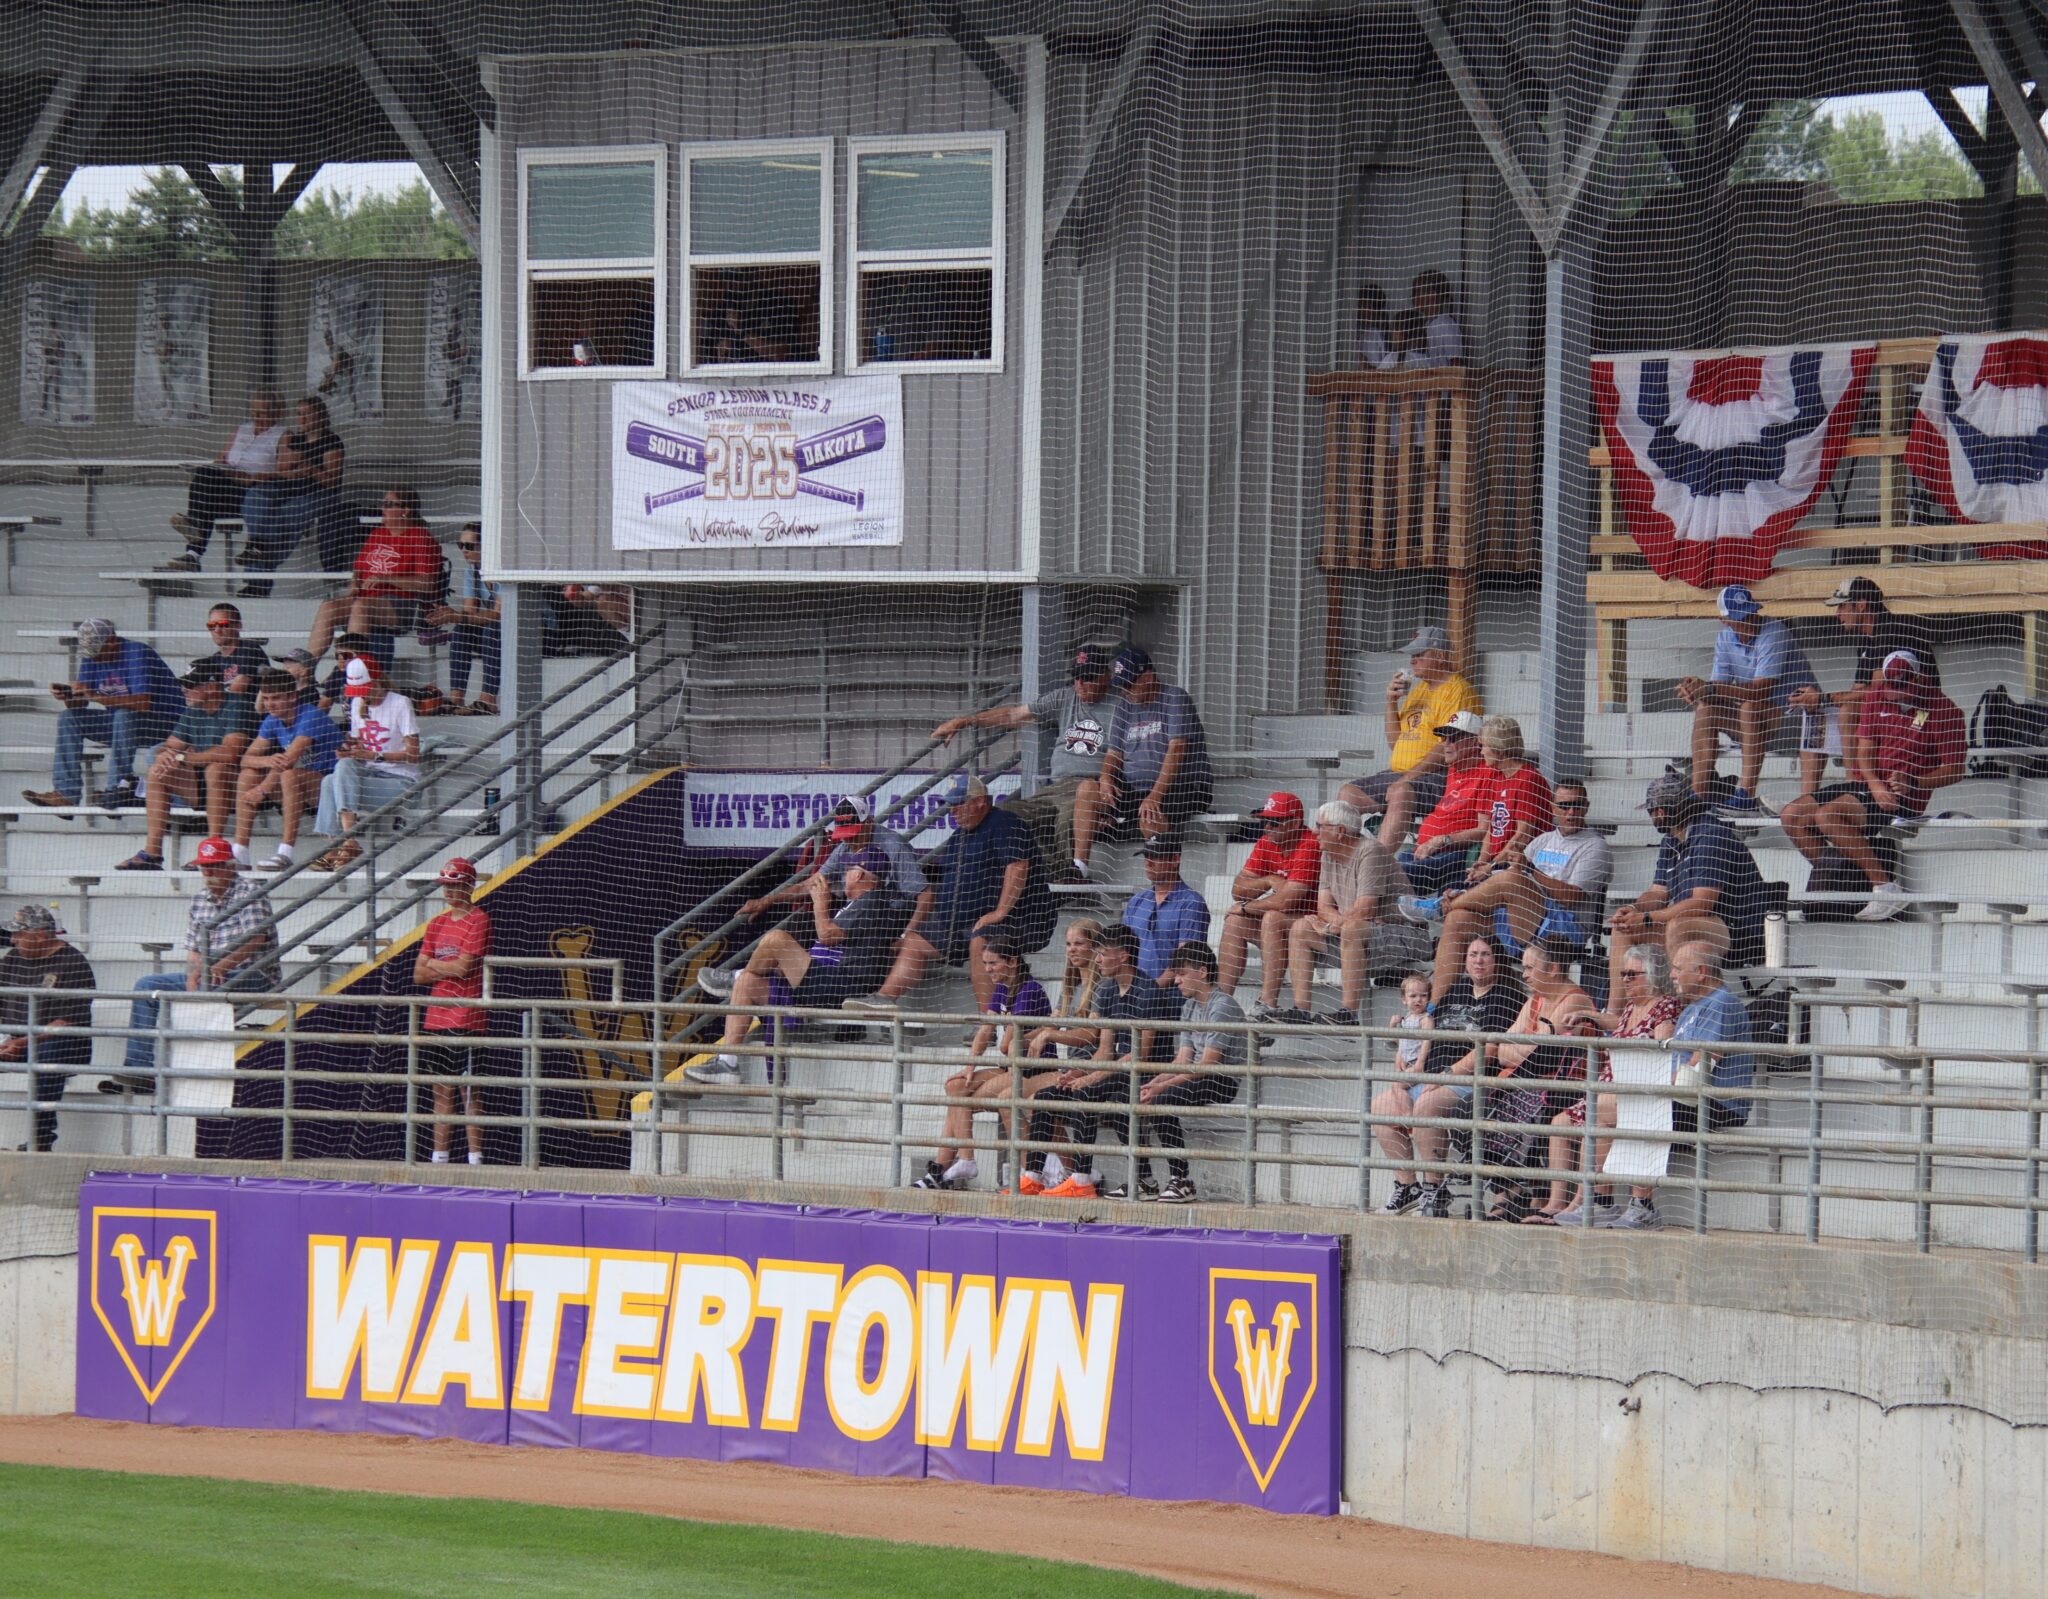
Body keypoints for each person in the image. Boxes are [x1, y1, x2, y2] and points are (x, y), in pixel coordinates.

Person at [688, 849, 912, 1086]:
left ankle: (735, 976)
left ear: (858, 875)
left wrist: (820, 904)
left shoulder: (872, 900)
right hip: (825, 980)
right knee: (748, 983)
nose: (844, 875)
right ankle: (727, 1063)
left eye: (848, 870)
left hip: (845, 987)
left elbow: (827, 936)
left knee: (776, 939)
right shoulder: (856, 903)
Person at [1781, 650, 1966, 921]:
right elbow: (1864, 751)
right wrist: (1875, 784)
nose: (1896, 694)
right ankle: (1848, 881)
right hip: (1869, 785)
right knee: (1791, 816)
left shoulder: (1946, 711)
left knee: (1828, 816)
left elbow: (1955, 770)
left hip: (1905, 794)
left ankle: (1885, 888)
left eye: (1902, 688)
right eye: (1892, 687)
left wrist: (1915, 782)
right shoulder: (1876, 695)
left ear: (1919, 679)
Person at [855, 774, 1053, 1013]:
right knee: (915, 940)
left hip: (1019, 920)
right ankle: (884, 999)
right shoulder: (959, 836)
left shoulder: (1005, 824)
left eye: (959, 803)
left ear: (980, 801)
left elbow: (1018, 866)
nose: (953, 811)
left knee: (981, 940)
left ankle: (988, 1021)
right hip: (960, 923)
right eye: (950, 805)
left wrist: (1000, 911)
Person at [1528, 943, 1683, 1227]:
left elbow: (1663, 1049)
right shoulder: (1632, 1006)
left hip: (1637, 1090)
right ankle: (1557, 1203)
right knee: (1560, 1122)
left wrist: (1626, 1050)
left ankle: (1594, 1201)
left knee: (1597, 1111)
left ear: (1653, 976)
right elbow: (1618, 1024)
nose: (1625, 980)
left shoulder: (1665, 1006)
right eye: (1623, 974)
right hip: (1611, 1089)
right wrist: (1589, 1016)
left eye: (1632, 974)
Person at [932, 644, 1119, 878]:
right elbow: (1013, 715)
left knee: (1066, 819)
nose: (1080, 684)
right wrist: (964, 721)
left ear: (1105, 676)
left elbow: (1124, 754)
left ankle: (1072, 877)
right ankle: (1052, 872)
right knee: (1008, 813)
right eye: (1076, 677)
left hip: (1090, 787)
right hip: (1055, 787)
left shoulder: (1120, 704)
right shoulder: (1065, 696)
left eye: (1088, 678)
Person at [1372, 934, 1524, 1217]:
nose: (1478, 960)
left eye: (1485, 954)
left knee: (1427, 1105)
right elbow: (1426, 1031)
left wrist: (1447, 1075)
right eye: (1473, 954)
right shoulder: (1455, 991)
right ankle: (1408, 1187)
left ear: (1497, 959)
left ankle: (1435, 1189)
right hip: (1430, 1075)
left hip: (1472, 1079)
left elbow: (1490, 1048)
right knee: (1381, 1107)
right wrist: (1404, 1049)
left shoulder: (1507, 996)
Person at [1019, 925, 1174, 1198]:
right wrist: (1079, 1071)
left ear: (1123, 956)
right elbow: (1104, 1051)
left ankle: (1081, 1180)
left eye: (1102, 953)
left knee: (1086, 1094)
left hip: (1144, 1072)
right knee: (1045, 1098)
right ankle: (1032, 1177)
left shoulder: (1148, 991)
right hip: (1116, 1069)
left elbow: (1140, 1054)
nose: (1097, 959)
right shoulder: (1107, 988)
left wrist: (1091, 1078)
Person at [1608, 941, 1754, 1231]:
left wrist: (1653, 1088)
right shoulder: (1693, 1005)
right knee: (1603, 1107)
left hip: (1717, 1103)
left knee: (1642, 1110)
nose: (1672, 975)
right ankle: (1599, 1201)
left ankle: (1642, 1208)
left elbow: (1699, 1065)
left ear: (1701, 972)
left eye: (1677, 968)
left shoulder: (1721, 1002)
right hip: (1686, 1097)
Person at [1424, 762, 1593, 1003]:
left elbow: (1572, 897)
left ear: (1586, 807)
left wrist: (1530, 871)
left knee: (1512, 878)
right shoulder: (1543, 840)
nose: (1571, 812)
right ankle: (1435, 1009)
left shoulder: (1594, 846)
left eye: (1577, 805)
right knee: (1457, 919)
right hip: (1521, 919)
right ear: (1554, 807)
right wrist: (1486, 873)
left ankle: (1440, 905)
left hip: (1563, 930)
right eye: (1565, 806)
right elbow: (1509, 877)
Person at [123, 835, 281, 1088]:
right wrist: (193, 976)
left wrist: (216, 967)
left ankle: (199, 1075)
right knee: (146, 985)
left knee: (207, 988)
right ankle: (139, 1069)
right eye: (204, 867)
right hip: (212, 973)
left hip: (255, 974)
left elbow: (255, 940)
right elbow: (193, 950)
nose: (208, 873)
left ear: (230, 866)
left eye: (214, 866)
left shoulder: (250, 891)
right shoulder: (199, 899)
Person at [1100, 941, 1244, 1204]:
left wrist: (1163, 1087)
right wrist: (1155, 1081)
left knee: (1160, 1101)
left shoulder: (1222, 1005)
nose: (1176, 980)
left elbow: (1209, 1064)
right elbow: (1183, 1059)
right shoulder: (1188, 1007)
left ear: (1202, 971)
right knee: (1123, 1100)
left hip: (1222, 1079)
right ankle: (1144, 1180)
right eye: (1176, 974)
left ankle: (1181, 1180)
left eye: (1182, 973)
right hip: (1195, 1074)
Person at [1608, 775, 1770, 1000]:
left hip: (1739, 929)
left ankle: (1676, 1007)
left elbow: (1702, 903)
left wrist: (1646, 917)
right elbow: (1658, 893)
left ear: (1665, 810)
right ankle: (1615, 1012)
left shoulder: (1710, 834)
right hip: (1701, 923)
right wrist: (1633, 910)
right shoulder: (1670, 840)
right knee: (1623, 928)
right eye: (1652, 811)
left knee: (1678, 926)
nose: (1653, 815)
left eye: (1654, 810)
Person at [912, 936, 1052, 1191]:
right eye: (985, 963)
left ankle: (963, 1166)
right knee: (956, 1086)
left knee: (960, 1100)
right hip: (1011, 1066)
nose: (987, 969)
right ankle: (951, 1166)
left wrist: (1007, 1039)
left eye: (993, 963)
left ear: (1012, 962)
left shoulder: (1029, 989)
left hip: (1034, 1070)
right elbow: (986, 1029)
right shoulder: (1001, 988)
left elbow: (1005, 1045)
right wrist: (970, 1067)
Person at [1788, 576, 1945, 799]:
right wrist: (1818, 702)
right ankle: (1806, 801)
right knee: (1817, 715)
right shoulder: (1866, 637)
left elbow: (1877, 693)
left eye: (1842, 606)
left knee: (1848, 712)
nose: (1837, 614)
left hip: (1921, 715)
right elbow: (1859, 691)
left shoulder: (1891, 631)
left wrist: (1823, 698)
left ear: (1861, 605)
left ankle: (1855, 786)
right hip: (1893, 712)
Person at [1071, 647, 1213, 878]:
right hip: (1136, 789)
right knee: (1087, 789)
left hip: (1183, 786)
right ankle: (1079, 869)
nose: (1126, 690)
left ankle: (1162, 882)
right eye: (1122, 685)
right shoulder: (1125, 705)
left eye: (1130, 684)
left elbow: (1177, 749)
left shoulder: (1175, 698)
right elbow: (1114, 754)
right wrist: (1106, 779)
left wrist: (1154, 796)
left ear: (1148, 676)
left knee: (1149, 815)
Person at [1337, 625, 1483, 851]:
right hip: (1402, 774)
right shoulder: (1418, 690)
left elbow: (1446, 746)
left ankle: (1378, 863)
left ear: (1440, 656)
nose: (1413, 661)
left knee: (1400, 792)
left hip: (1440, 775)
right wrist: (1390, 702)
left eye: (1419, 654)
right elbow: (1395, 743)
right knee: (1348, 795)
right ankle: (1349, 859)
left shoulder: (1458, 690)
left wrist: (1406, 778)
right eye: (1412, 656)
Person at [1281, 799, 1424, 1026]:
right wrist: (1335, 925)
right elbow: (1323, 907)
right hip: (1360, 936)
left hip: (1406, 935)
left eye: (1320, 826)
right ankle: (1301, 1011)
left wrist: (1331, 927)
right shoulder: (1328, 853)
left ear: (1340, 831)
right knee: (1300, 928)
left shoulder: (1371, 851)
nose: (1315, 832)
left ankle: (1348, 1013)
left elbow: (1366, 909)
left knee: (1351, 928)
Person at [1678, 584, 1818, 811]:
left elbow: (1760, 691)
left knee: (1749, 708)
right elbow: (1718, 691)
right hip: (1759, 725)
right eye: (1741, 618)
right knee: (1705, 709)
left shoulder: (1774, 632)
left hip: (1796, 720)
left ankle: (1745, 794)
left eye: (1751, 614)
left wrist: (1710, 688)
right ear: (1725, 620)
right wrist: (1695, 692)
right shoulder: (1725, 638)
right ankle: (1699, 795)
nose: (1750, 621)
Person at [23, 618, 181, 810]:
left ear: (112, 641)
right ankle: (65, 794)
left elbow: (144, 702)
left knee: (124, 714)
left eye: (98, 652)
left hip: (167, 725)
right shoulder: (91, 657)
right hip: (123, 726)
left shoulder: (137, 653)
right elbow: (80, 703)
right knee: (68, 718)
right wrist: (68, 695)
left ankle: (116, 789)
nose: (95, 658)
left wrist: (96, 696)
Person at [114, 661, 257, 872]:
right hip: (204, 783)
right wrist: (165, 755)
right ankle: (152, 853)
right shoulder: (193, 710)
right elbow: (169, 746)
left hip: (244, 787)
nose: (184, 690)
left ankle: (213, 847)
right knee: (157, 772)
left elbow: (230, 753)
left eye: (191, 685)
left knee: (216, 769)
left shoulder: (237, 705)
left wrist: (183, 757)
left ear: (211, 686)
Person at [412, 857, 493, 1166]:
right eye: (445, 886)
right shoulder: (437, 923)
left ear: (469, 886)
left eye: (454, 886)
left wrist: (434, 964)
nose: (447, 892)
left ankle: (475, 1159)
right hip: (436, 1018)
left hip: (467, 1017)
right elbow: (418, 975)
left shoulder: (478, 920)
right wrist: (445, 966)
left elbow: (464, 968)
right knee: (440, 1090)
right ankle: (440, 1157)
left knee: (470, 1091)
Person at [309, 657, 419, 873]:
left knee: (334, 777)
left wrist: (374, 755)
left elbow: (413, 755)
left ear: (377, 681)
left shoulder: (400, 703)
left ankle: (343, 844)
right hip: (370, 775)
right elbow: (359, 744)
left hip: (401, 781)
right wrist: (349, 748)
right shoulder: (357, 703)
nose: (362, 695)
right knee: (333, 776)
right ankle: (344, 842)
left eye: (365, 689)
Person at [1216, 791, 1321, 1019]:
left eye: (1275, 822)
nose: (1267, 827)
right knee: (1234, 922)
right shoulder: (1267, 842)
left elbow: (1287, 900)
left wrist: (1246, 907)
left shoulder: (1310, 843)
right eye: (1265, 821)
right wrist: (1268, 880)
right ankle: (1219, 1004)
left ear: (1295, 823)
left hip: (1313, 925)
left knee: (1271, 917)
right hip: (1282, 925)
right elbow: (1238, 890)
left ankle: (1267, 1003)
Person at [306, 487, 441, 662]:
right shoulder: (378, 533)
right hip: (368, 597)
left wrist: (386, 578)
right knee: (329, 607)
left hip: (403, 603)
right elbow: (359, 568)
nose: (382, 508)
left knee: (361, 606)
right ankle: (307, 664)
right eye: (383, 504)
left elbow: (427, 583)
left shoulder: (422, 538)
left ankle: (351, 665)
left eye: (389, 504)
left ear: (406, 510)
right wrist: (355, 583)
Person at [0, 904, 95, 1153]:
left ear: (40, 935)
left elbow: (66, 1022)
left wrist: (19, 1043)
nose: (13, 939)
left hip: (60, 1044)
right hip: (14, 1039)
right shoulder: (12, 958)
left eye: (19, 933)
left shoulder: (73, 962)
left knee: (48, 1057)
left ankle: (40, 1139)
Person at [159, 390, 287, 571]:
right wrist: (221, 469)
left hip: (254, 492)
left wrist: (254, 478)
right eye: (253, 412)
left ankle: (193, 551)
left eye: (262, 413)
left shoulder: (283, 436)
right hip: (229, 484)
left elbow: (284, 472)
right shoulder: (242, 430)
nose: (256, 417)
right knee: (205, 476)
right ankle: (192, 552)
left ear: (276, 413)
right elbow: (221, 459)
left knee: (206, 500)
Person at [232, 669, 345, 872]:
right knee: (248, 775)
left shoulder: (311, 715)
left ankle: (285, 853)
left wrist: (262, 790)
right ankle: (240, 853)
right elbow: (245, 759)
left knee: (288, 774)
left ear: (293, 696)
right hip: (300, 788)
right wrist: (267, 760)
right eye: (266, 698)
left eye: (276, 698)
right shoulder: (272, 720)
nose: (270, 704)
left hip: (332, 787)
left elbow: (288, 761)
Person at [236, 395, 347, 594]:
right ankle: (257, 547)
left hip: (318, 493)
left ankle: (256, 583)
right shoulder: (296, 439)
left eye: (307, 414)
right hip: (289, 487)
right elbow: (282, 468)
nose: (301, 419)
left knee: (284, 516)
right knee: (255, 496)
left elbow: (333, 482)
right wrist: (291, 468)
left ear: (320, 416)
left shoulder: (332, 441)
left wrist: (312, 469)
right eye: (299, 414)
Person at [1390, 711, 1496, 899]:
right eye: (1443, 738)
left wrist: (1441, 840)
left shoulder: (1487, 773)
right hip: (1426, 851)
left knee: (1384, 873)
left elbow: (1484, 829)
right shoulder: (1454, 768)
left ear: (1475, 741)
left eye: (1453, 738)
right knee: (1389, 864)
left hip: (1454, 853)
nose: (1446, 744)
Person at [428, 522, 500, 715]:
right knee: (461, 629)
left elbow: (498, 614)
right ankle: (456, 699)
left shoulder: (502, 569)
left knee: (493, 629)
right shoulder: (472, 570)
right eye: (461, 545)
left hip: (536, 632)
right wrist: (453, 614)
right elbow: (469, 613)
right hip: (499, 633)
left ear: (486, 547)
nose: (463, 551)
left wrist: (459, 616)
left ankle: (488, 701)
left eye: (469, 546)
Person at [1121, 835, 1210, 980]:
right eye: (1146, 856)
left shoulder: (1192, 903)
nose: (1148, 863)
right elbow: (1123, 949)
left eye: (1155, 857)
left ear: (1175, 859)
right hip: (1135, 989)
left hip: (1173, 992)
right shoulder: (1136, 901)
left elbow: (1186, 958)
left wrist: (1153, 988)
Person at [190, 603, 270, 696]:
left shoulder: (249, 650)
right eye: (211, 625)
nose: (217, 630)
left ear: (238, 626)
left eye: (223, 624)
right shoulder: (214, 659)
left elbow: (237, 690)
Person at [1409, 270, 1464, 367]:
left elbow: (1456, 363)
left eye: (1418, 291)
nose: (1414, 297)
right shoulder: (1426, 324)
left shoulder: (1446, 324)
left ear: (1433, 294)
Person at [1355, 282, 1396, 369]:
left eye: (1363, 305)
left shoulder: (1372, 334)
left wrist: (1365, 365)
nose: (1359, 309)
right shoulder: (1368, 331)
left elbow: (1375, 370)